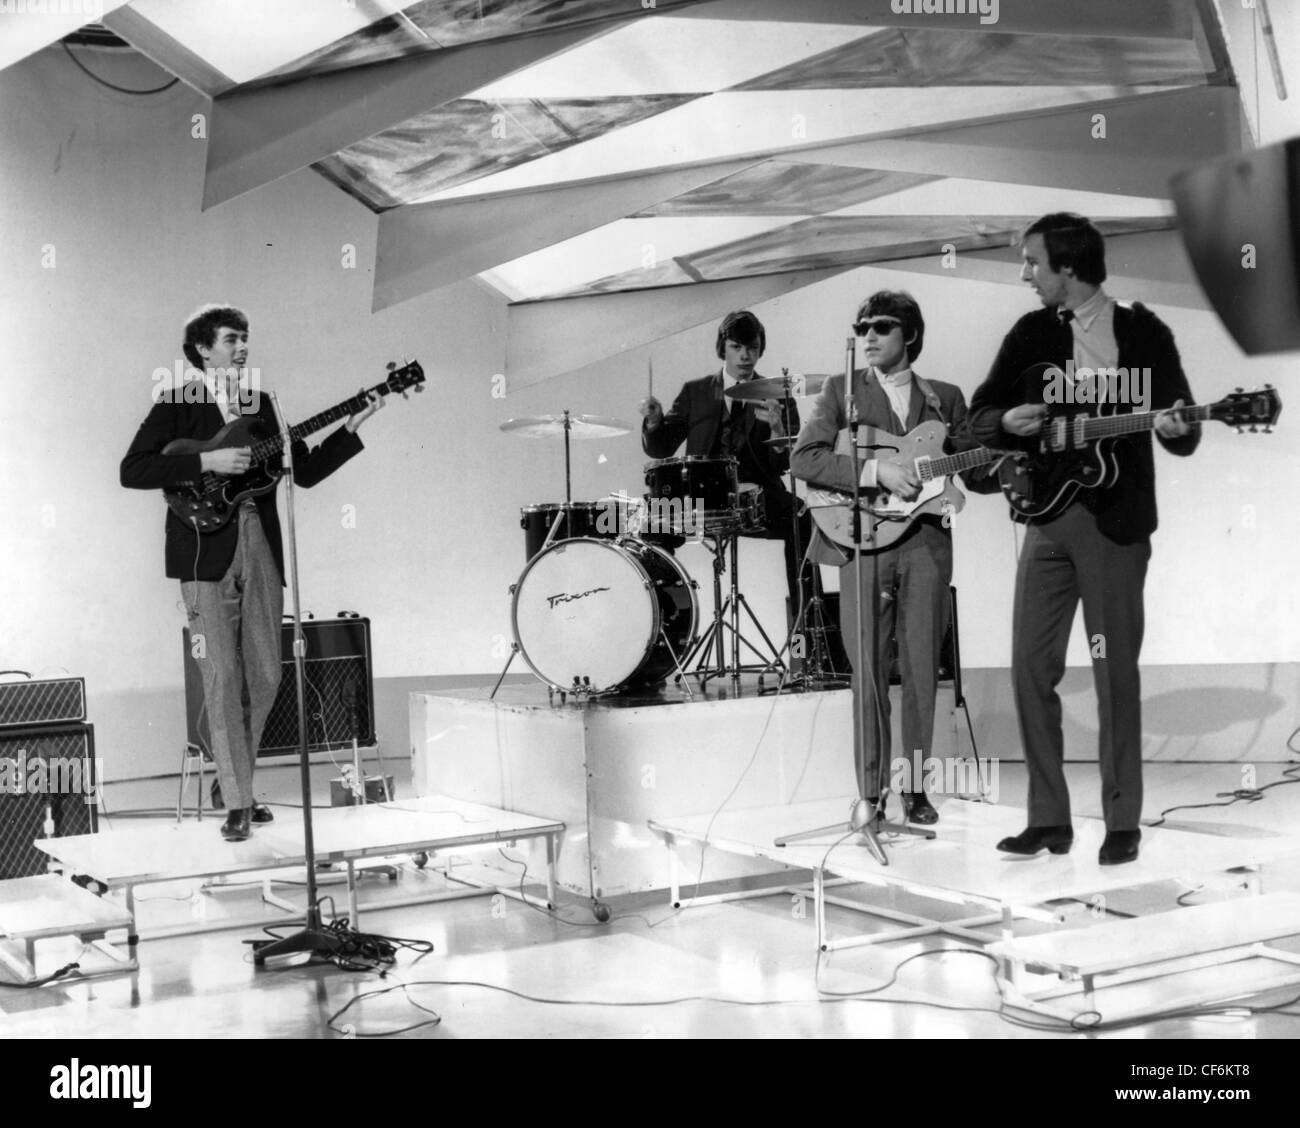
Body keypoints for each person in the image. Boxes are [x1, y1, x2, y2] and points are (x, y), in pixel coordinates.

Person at [967, 213, 1199, 865]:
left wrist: (1178, 425)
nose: (1025, 274)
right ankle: (1050, 820)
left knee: (1112, 672)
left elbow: (1183, 430)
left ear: (1067, 269)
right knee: (1030, 668)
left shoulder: (1143, 331)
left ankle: (1122, 819)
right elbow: (982, 415)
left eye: (1032, 263)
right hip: (1046, 521)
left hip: (1113, 527)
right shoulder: (1030, 333)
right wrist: (1006, 420)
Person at [121, 304, 383, 842]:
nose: (242, 347)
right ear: (202, 349)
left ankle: (231, 780)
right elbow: (134, 469)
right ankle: (239, 801)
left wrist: (352, 424)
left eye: (245, 338)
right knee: (222, 678)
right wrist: (207, 463)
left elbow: (303, 471)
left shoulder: (263, 405)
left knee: (267, 673)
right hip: (202, 551)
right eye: (232, 338)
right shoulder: (177, 404)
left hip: (260, 544)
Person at [791, 290, 983, 825]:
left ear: (910, 335)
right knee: (868, 672)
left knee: (923, 669)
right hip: (861, 542)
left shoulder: (944, 397)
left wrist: (1017, 448)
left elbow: (979, 471)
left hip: (925, 543)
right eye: (862, 329)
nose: (868, 338)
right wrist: (876, 473)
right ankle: (871, 792)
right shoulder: (840, 389)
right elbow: (803, 458)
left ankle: (917, 789)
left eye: (881, 327)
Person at [639, 310, 812, 620]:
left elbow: (785, 462)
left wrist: (777, 429)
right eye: (737, 347)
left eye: (753, 348)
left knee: (802, 519)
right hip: (698, 498)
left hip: (757, 497)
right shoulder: (696, 391)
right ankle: (668, 625)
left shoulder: (780, 394)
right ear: (724, 347)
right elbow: (661, 447)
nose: (746, 356)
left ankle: (805, 635)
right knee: (650, 524)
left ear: (760, 348)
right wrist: (654, 420)